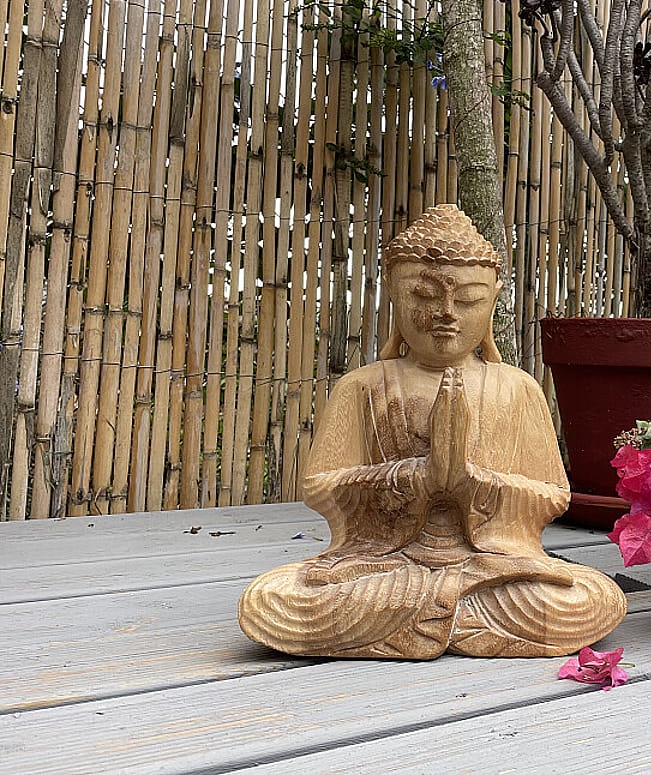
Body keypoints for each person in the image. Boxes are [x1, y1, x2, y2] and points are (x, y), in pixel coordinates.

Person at [238, 205, 627, 659]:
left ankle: (422, 622)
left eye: (466, 301)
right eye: (423, 296)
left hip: (492, 567)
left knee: (588, 600)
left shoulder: (517, 388)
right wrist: (410, 478)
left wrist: (472, 482)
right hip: (383, 564)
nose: (445, 313)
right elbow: (320, 487)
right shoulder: (362, 386)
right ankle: (459, 622)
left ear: (494, 300)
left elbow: (553, 494)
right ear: (394, 296)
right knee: (273, 601)